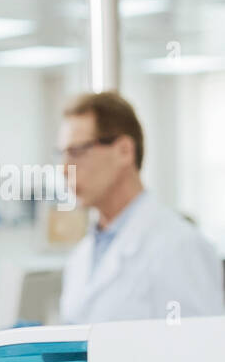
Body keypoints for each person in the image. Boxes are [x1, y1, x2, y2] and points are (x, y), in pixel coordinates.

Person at [57, 90, 223, 323]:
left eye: (77, 152)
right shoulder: (81, 257)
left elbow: (203, 351)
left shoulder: (180, 246)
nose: (64, 169)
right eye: (62, 154)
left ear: (124, 151)